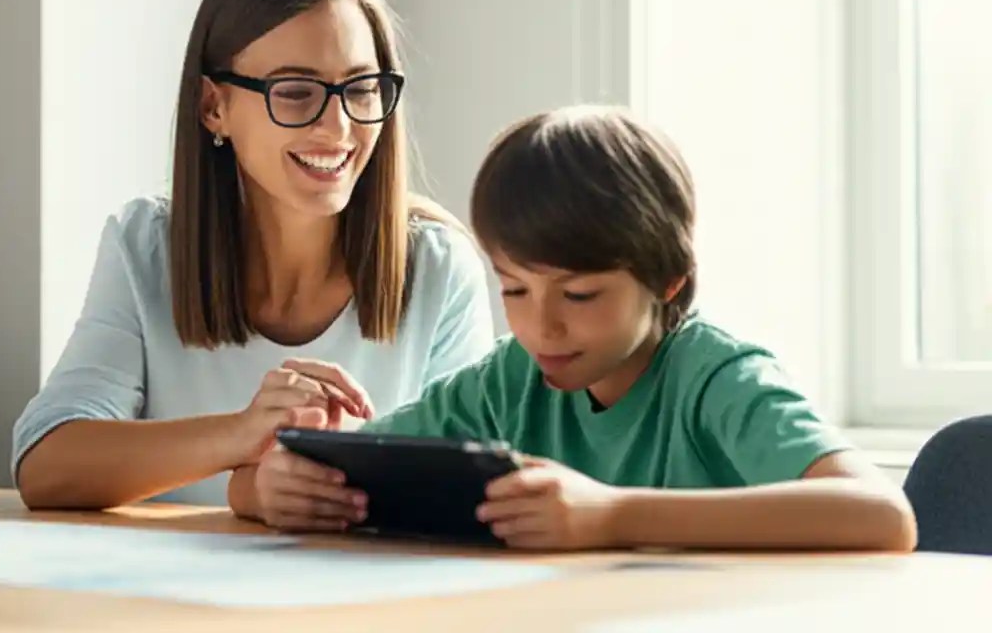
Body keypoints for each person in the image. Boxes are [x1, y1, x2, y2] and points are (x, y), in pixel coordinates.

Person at [232, 106, 917, 552]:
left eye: (582, 293)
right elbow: (297, 472)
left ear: (668, 278)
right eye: (514, 289)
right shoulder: (508, 381)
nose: (543, 325)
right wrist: (273, 488)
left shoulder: (716, 378)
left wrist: (613, 515)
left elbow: (884, 517)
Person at [11, 0, 494, 509]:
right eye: (295, 92)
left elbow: (468, 491)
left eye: (361, 89)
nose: (338, 127)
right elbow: (47, 464)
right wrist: (242, 435)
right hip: (164, 596)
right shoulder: (145, 248)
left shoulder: (438, 269)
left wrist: (275, 489)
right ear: (213, 107)